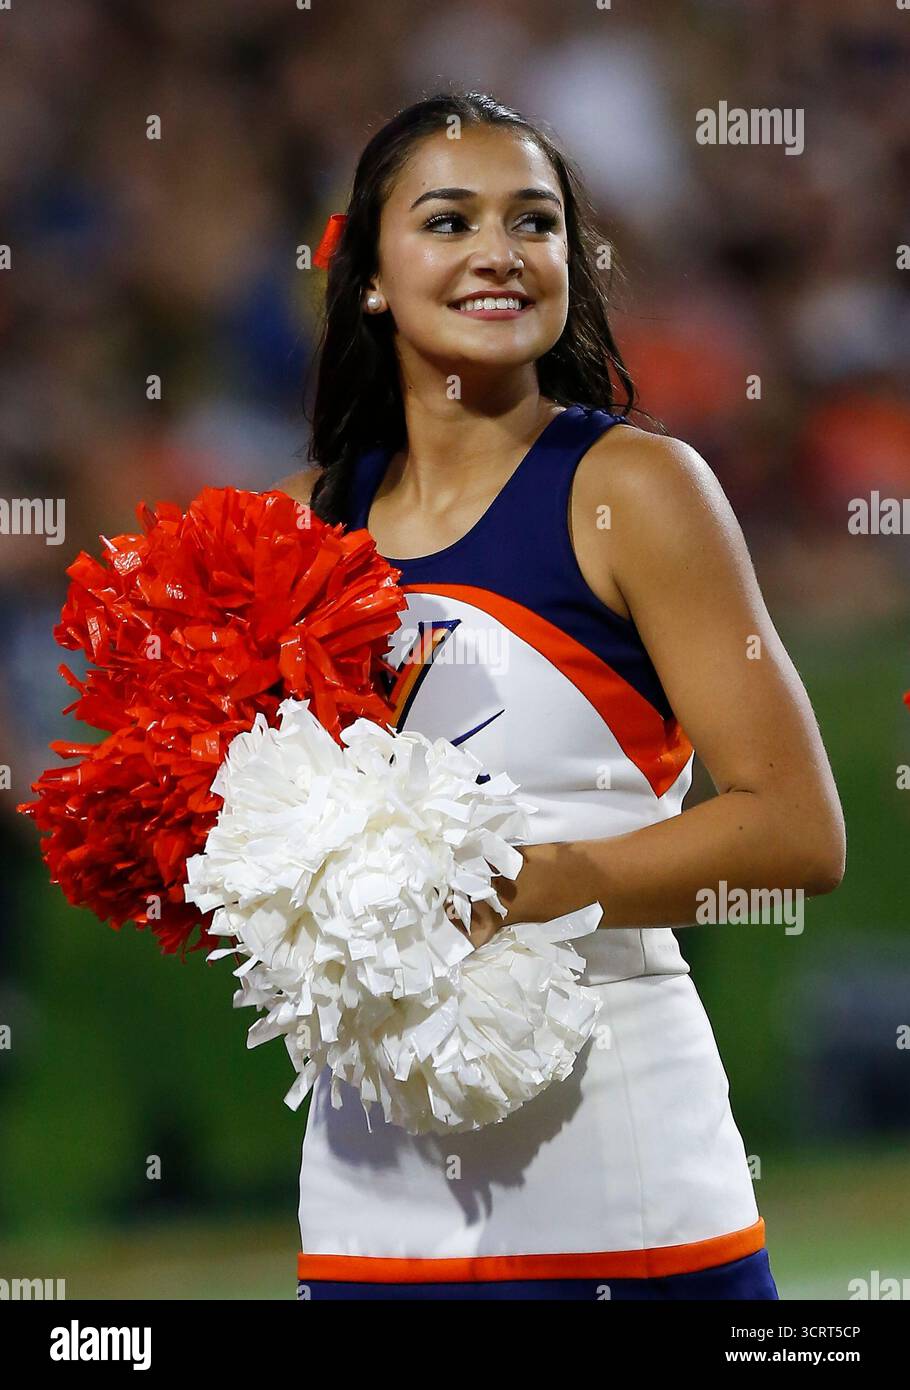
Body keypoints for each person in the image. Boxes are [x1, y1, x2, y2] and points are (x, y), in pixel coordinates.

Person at [275, 91, 845, 1301]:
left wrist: (542, 883)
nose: (498, 251)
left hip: (615, 1151)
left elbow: (797, 827)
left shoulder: (634, 487)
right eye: (447, 220)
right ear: (370, 276)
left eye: (533, 223)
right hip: (369, 1170)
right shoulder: (309, 521)